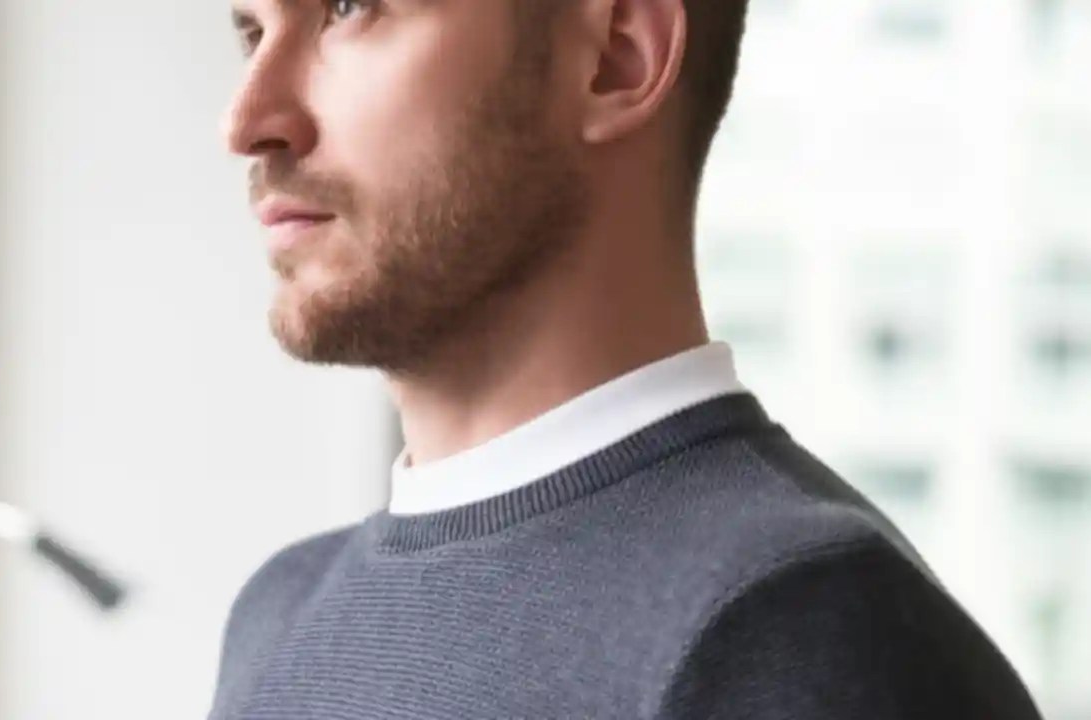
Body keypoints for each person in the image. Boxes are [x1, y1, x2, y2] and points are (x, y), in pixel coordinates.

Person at [210, 1, 1043, 718]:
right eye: (253, 29)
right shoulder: (280, 617)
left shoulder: (800, 630)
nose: (247, 122)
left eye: (351, 8)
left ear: (616, 56)